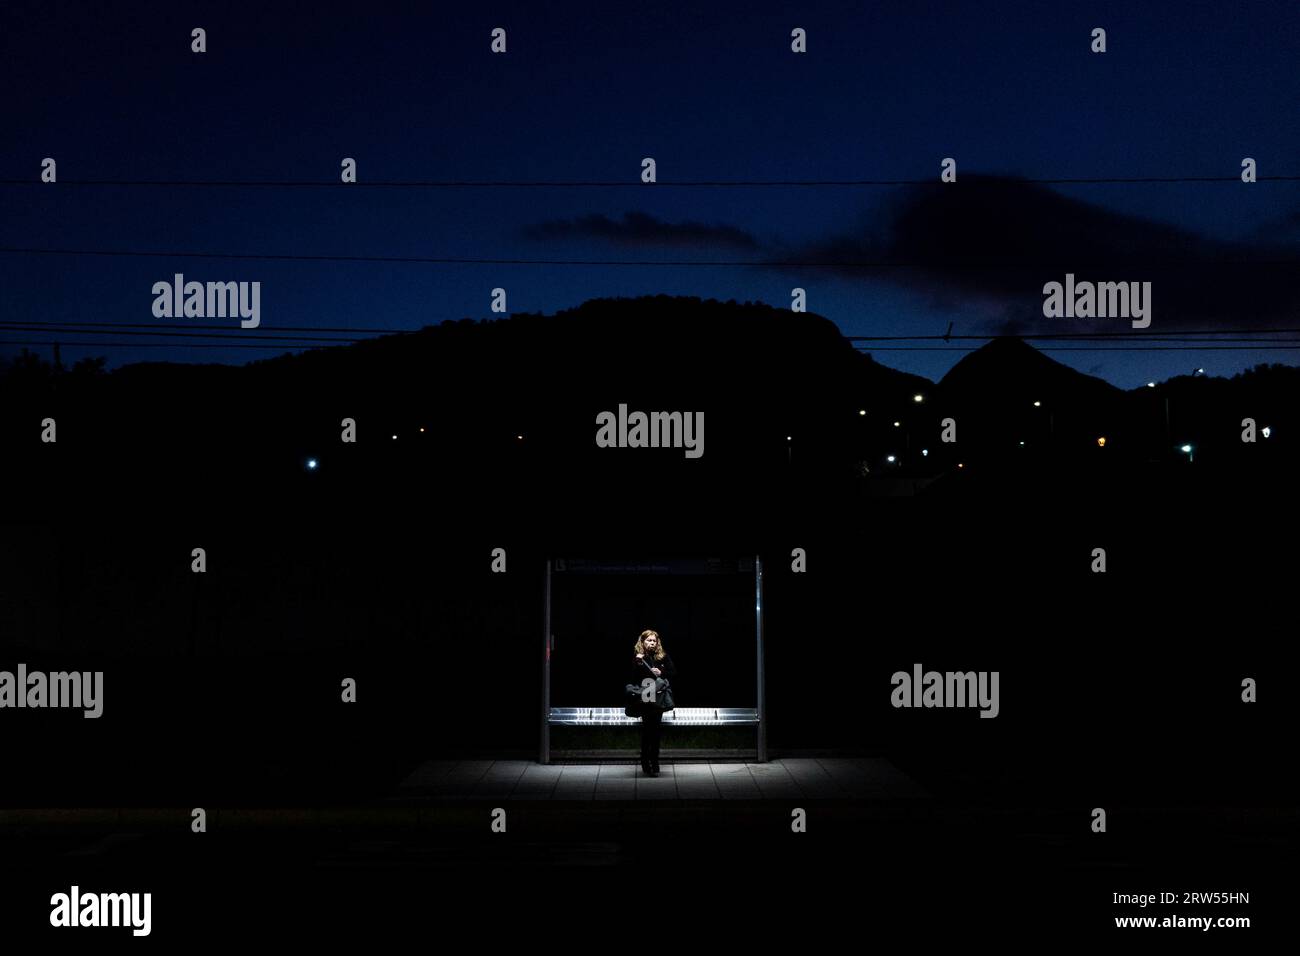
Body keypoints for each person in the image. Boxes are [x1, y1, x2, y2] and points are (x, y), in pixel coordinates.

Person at [632, 629, 675, 776]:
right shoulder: (638, 657)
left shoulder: (662, 656)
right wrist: (638, 663)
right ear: (642, 642)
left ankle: (654, 761)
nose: (651, 643)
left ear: (657, 643)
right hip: (646, 693)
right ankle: (645, 761)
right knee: (647, 729)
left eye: (654, 640)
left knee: (655, 730)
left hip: (659, 695)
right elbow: (632, 677)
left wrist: (661, 673)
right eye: (648, 640)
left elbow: (673, 673)